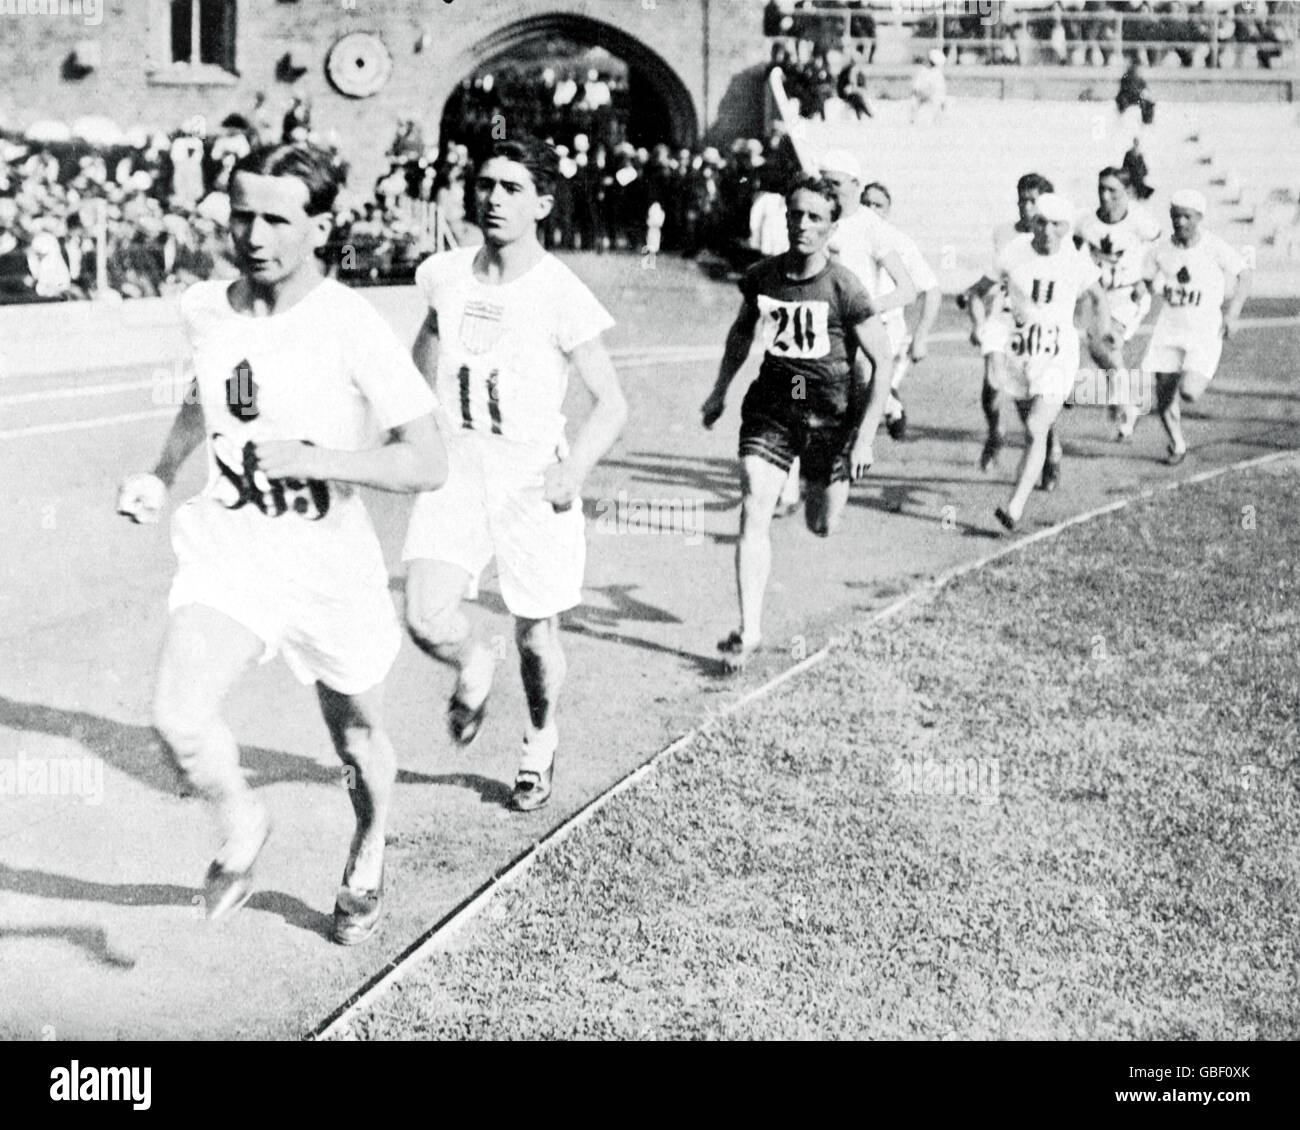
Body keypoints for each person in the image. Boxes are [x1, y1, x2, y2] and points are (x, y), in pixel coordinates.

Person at [114, 142, 447, 943]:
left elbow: (428, 458)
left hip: (326, 563)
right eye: (242, 214)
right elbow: (209, 394)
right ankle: (242, 825)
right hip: (233, 548)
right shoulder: (205, 307)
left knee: (357, 738)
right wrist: (161, 473)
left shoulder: (351, 324)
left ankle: (368, 846)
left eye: (276, 219)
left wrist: (320, 459)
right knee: (177, 717)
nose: (254, 234)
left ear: (320, 227)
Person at [403, 137, 628, 813]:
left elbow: (612, 403)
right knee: (422, 615)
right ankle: (474, 662)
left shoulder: (560, 291)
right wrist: (415, 426)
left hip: (532, 477)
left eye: (510, 188)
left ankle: (538, 738)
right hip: (458, 470)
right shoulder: (445, 273)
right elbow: (425, 350)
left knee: (534, 636)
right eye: (486, 184)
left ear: (541, 203)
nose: (494, 199)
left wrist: (575, 470)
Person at [700, 175, 893, 672]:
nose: (802, 225)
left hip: (830, 419)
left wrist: (865, 437)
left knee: (821, 524)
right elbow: (741, 333)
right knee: (753, 502)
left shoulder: (845, 286)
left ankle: (822, 487)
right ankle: (749, 630)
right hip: (772, 411)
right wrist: (721, 391)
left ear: (831, 227)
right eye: (795, 214)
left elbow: (882, 362)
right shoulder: (764, 276)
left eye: (814, 218)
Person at [968, 193, 1112, 532]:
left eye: (1056, 224)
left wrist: (1101, 329)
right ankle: (1052, 454)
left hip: (1059, 351)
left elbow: (1098, 297)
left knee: (1035, 427)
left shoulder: (1076, 260)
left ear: (1066, 228)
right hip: (1022, 348)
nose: (1047, 230)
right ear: (1032, 221)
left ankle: (1014, 507)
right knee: (1031, 422)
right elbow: (976, 291)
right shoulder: (1013, 253)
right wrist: (981, 324)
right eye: (1041, 222)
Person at [1136, 189, 1251, 463]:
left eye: (1187, 217)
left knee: (1189, 392)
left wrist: (1232, 314)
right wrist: (1141, 290)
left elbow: (1244, 274)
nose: (1180, 222)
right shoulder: (1162, 249)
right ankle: (1177, 444)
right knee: (1163, 397)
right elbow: (1147, 279)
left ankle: (1186, 379)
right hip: (1169, 328)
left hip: (1204, 330)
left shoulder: (1213, 246)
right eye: (1176, 216)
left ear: (1199, 217)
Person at [962, 173, 1063, 482]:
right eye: (1022, 198)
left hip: (1037, 325)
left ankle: (1050, 451)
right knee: (992, 388)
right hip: (1004, 317)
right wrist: (980, 323)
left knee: (1030, 397)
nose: (1026, 206)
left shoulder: (1056, 241)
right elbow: (993, 280)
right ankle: (995, 434)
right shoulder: (1005, 234)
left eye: (1033, 200)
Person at [1075, 166, 1162, 436]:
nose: (1105, 195)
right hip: (1102, 296)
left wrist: (1146, 281)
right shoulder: (1087, 221)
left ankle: (1122, 404)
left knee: (1109, 344)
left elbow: (1161, 250)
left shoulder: (1141, 221)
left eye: (1112, 190)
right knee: (1098, 349)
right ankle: (1127, 404)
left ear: (1128, 192)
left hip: (1129, 296)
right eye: (1101, 189)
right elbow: (1074, 247)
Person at [861, 181, 943, 441]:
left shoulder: (899, 242)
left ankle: (863, 436)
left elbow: (931, 290)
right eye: (866, 203)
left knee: (866, 379)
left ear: (888, 210)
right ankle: (891, 406)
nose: (871, 210)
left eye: (878, 205)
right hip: (850, 323)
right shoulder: (844, 234)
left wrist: (921, 337)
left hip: (887, 325)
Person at [910, 49, 948, 124]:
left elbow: (940, 89)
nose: (926, 61)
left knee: (937, 104)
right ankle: (912, 119)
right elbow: (917, 84)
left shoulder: (937, 73)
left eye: (928, 60)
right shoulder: (922, 70)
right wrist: (916, 91)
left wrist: (942, 101)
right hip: (921, 93)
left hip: (933, 94)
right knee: (914, 102)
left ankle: (937, 120)